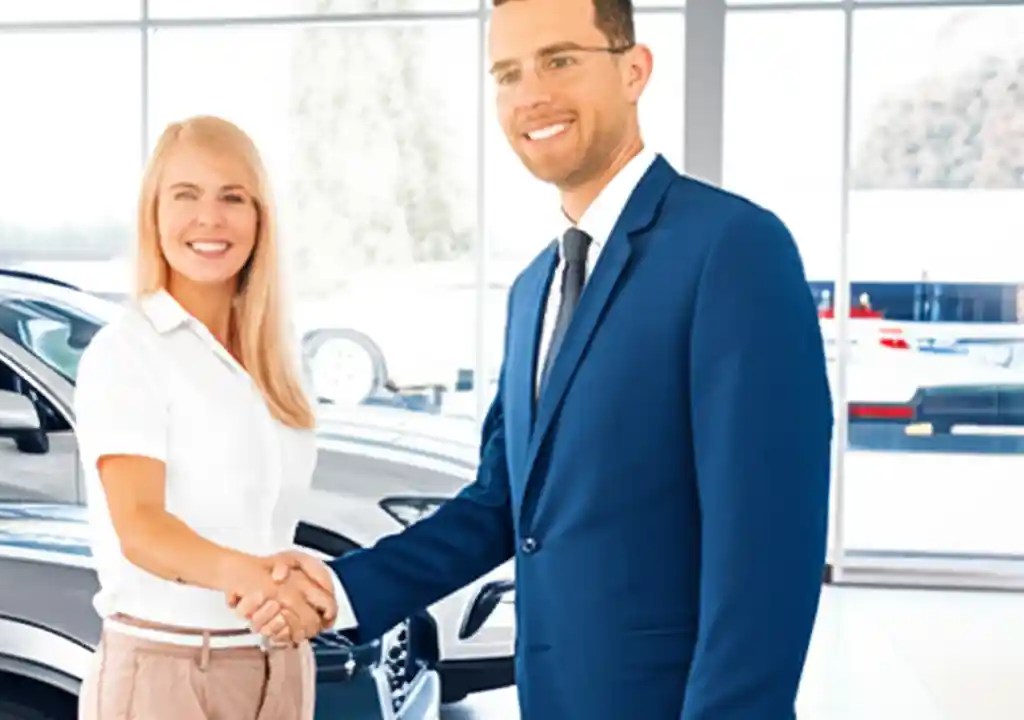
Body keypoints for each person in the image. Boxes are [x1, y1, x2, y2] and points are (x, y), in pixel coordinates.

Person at [234, 0, 833, 717]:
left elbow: (766, 550)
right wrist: (341, 588)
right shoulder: (534, 289)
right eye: (508, 74)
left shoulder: (731, 250)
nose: (532, 94)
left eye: (560, 60)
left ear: (634, 70)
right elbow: (503, 504)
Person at [73, 115, 337, 720]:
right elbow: (141, 527)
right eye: (185, 195)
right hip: (169, 672)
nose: (209, 219)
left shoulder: (278, 354)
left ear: (260, 218)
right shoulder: (128, 350)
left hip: (279, 662)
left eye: (232, 198)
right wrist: (262, 582)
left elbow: (260, 526)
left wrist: (302, 587)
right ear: (154, 214)